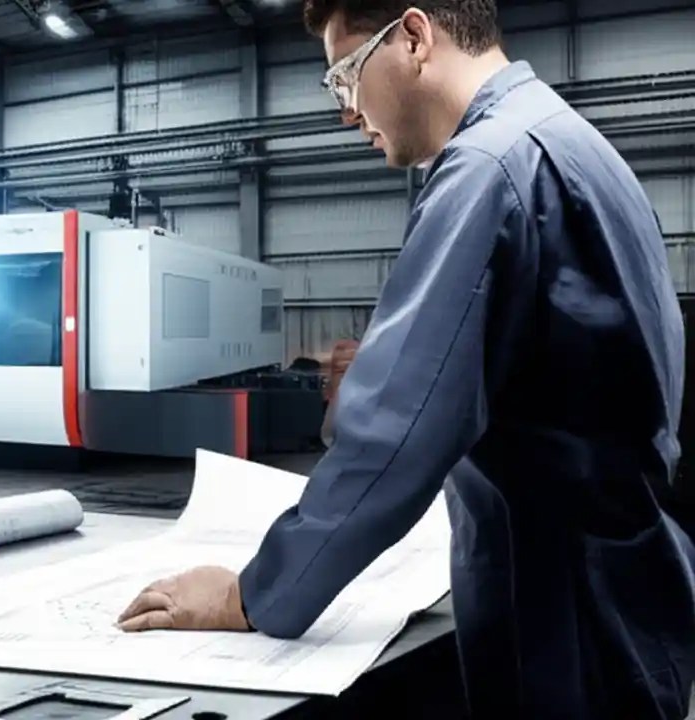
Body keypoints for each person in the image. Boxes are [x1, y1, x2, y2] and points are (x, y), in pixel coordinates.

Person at [115, 1, 695, 717]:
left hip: (560, 628)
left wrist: (253, 593)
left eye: (344, 77)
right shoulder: (570, 144)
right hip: (636, 591)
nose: (346, 112)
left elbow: (394, 439)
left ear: (415, 37)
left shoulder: (488, 169)